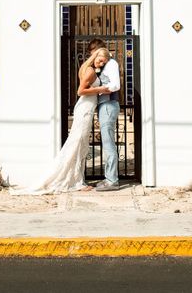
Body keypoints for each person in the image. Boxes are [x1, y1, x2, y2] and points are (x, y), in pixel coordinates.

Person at [12, 46, 116, 194]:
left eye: (104, 63)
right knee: (78, 144)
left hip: (86, 107)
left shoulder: (87, 68)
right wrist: (101, 89)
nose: (101, 64)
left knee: (80, 144)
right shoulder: (90, 71)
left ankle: (78, 179)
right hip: (85, 109)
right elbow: (80, 91)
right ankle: (76, 181)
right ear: (95, 56)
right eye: (100, 60)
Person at [86, 37, 121, 191]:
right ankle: (109, 178)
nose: (92, 57)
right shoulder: (104, 65)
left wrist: (100, 90)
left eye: (93, 53)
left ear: (99, 51)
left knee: (108, 143)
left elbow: (116, 85)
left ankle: (112, 180)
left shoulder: (111, 63)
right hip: (104, 105)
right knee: (107, 142)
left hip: (108, 105)